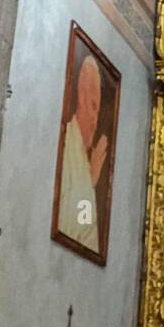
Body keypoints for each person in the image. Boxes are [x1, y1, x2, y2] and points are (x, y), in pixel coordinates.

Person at [58, 54, 108, 253]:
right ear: (81, 96)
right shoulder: (67, 142)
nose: (95, 119)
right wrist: (90, 179)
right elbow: (68, 223)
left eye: (98, 109)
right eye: (93, 105)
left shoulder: (81, 152)